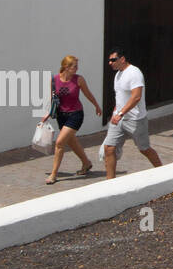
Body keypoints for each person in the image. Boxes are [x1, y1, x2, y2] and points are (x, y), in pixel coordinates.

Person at [41, 55, 102, 184]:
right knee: (72, 142)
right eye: (74, 66)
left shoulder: (79, 79)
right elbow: (52, 99)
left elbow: (88, 94)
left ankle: (53, 174)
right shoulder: (54, 80)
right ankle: (86, 163)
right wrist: (47, 113)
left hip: (76, 114)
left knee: (59, 142)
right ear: (66, 67)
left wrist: (96, 105)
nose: (77, 68)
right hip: (61, 116)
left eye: (76, 66)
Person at [103, 49, 163, 178]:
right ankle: (110, 182)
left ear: (122, 59)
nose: (110, 63)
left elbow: (136, 97)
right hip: (118, 119)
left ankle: (163, 172)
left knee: (144, 149)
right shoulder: (118, 75)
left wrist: (121, 113)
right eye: (109, 60)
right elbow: (120, 97)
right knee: (109, 148)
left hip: (135, 120)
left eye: (113, 60)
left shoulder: (134, 73)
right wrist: (115, 112)